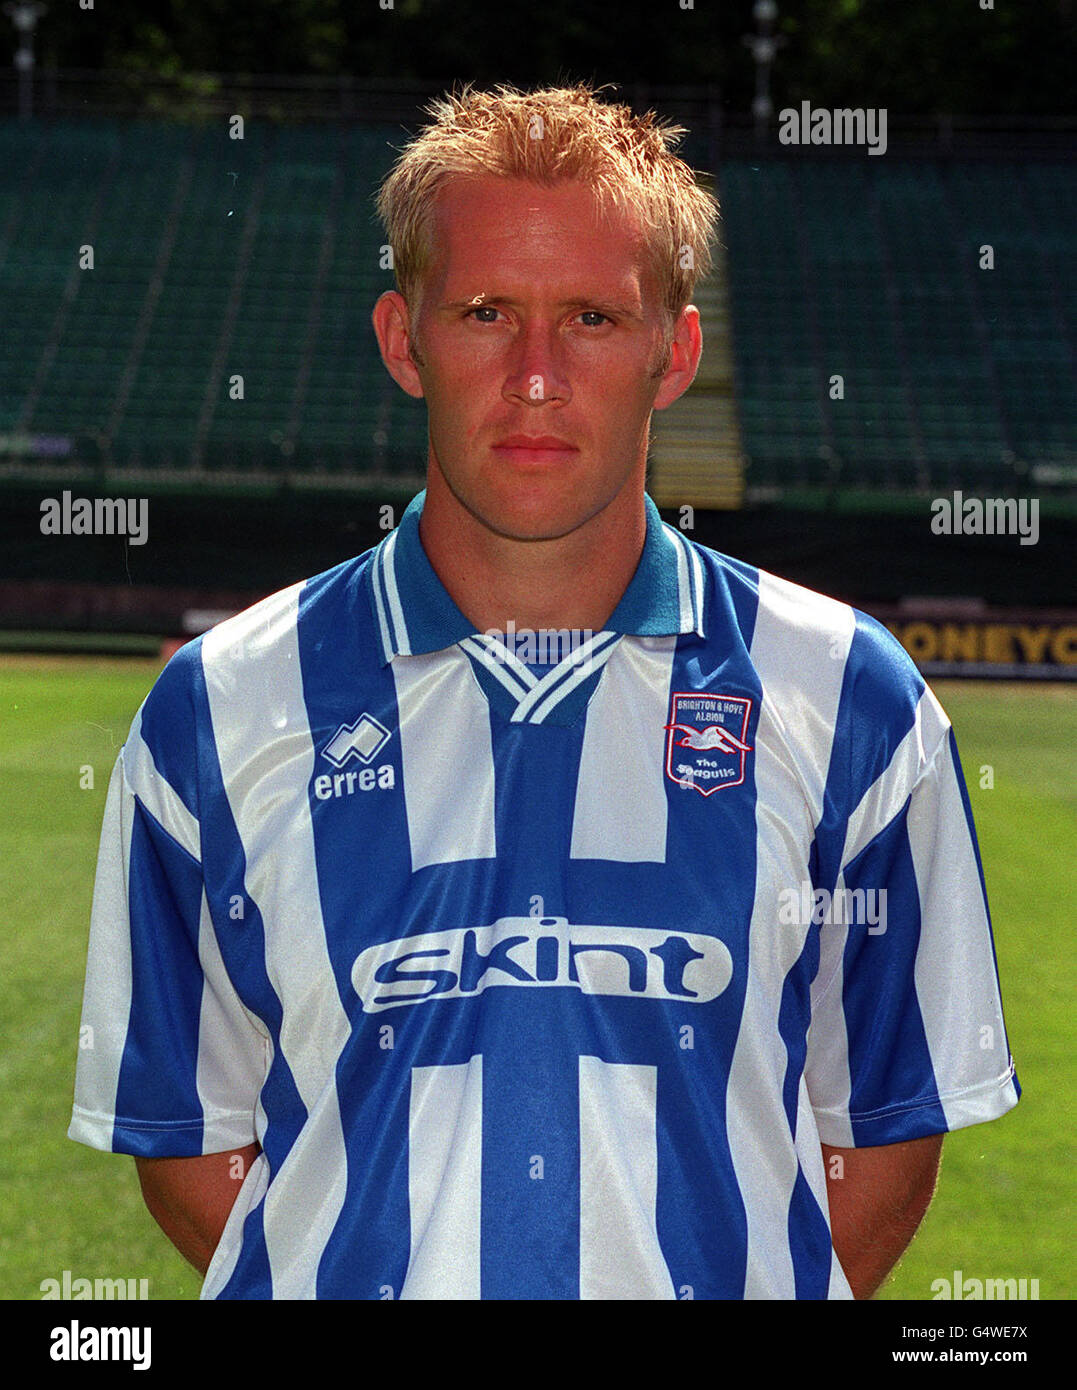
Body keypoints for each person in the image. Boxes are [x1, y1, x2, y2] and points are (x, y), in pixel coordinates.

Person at [69, 81, 1019, 1300]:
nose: (534, 375)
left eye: (589, 317)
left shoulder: (849, 695)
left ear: (673, 353)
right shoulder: (220, 706)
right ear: (404, 341)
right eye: (483, 313)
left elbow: (882, 1134)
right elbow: (193, 1141)